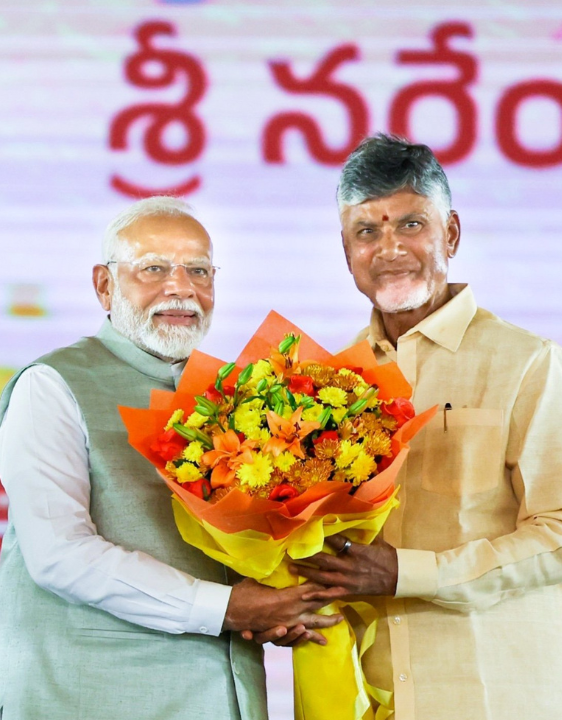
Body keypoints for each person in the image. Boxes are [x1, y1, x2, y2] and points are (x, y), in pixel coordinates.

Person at [259, 134, 562, 720]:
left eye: (411, 225)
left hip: (493, 700)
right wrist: (294, 602)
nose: (389, 249)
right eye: (367, 231)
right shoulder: (325, 384)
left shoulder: (528, 363)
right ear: (346, 251)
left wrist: (408, 572)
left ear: (451, 234)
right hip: (373, 698)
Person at [0, 197, 347, 720]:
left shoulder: (240, 397)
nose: (181, 287)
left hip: (222, 696)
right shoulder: (53, 384)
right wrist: (229, 608)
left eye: (199, 270)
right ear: (104, 285)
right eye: (154, 268)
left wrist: (277, 607)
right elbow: (59, 554)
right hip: (90, 696)